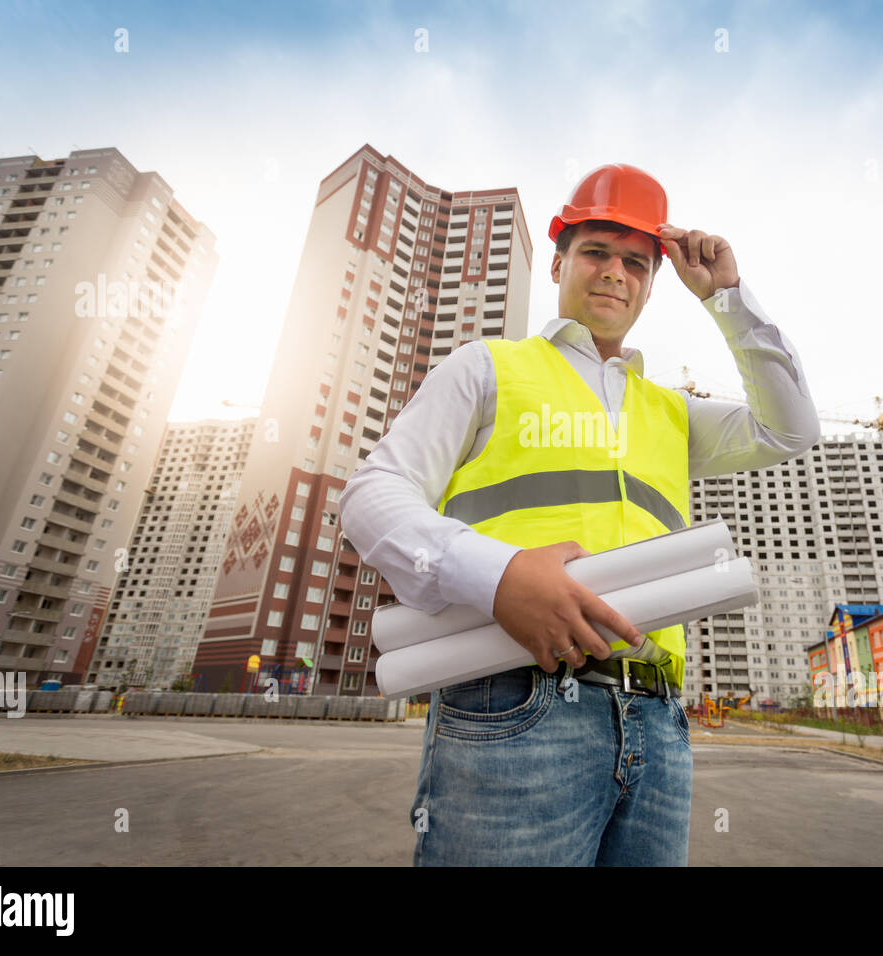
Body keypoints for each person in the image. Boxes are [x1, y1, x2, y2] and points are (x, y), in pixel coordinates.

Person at [340, 163, 820, 865]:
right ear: (559, 261)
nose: (614, 273)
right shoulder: (486, 367)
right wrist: (499, 575)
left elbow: (792, 428)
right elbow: (372, 494)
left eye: (636, 262)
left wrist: (727, 298)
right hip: (515, 699)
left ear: (652, 285)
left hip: (657, 720)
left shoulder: (668, 411)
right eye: (596, 251)